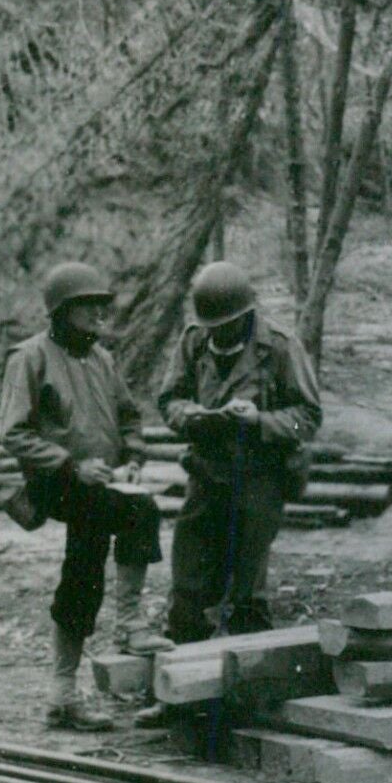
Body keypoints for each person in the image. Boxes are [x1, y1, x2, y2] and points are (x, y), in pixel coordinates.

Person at [0, 261, 171, 733]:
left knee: (120, 530)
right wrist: (72, 464)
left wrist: (133, 456)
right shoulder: (29, 358)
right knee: (101, 548)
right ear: (62, 311)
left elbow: (129, 416)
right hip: (57, 482)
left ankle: (107, 648)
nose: (100, 313)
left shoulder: (103, 360)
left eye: (102, 304)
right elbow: (14, 433)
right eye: (88, 306)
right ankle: (75, 681)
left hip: (103, 483)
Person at [157, 260, 322, 645]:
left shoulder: (280, 347)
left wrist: (260, 421)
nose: (217, 332)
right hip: (205, 475)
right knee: (187, 591)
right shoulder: (193, 341)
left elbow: (309, 418)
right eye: (211, 326)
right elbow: (169, 399)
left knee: (247, 597)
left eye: (225, 325)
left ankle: (248, 697)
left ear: (246, 315)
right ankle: (181, 695)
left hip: (259, 481)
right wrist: (190, 415)